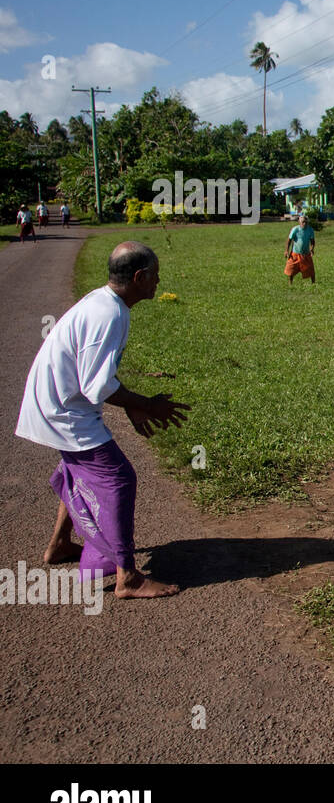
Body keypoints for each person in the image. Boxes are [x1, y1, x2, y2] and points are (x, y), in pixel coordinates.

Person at [14, 242, 189, 598]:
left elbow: (95, 379)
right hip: (64, 410)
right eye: (155, 275)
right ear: (139, 277)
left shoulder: (104, 301)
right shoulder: (111, 314)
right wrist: (146, 404)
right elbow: (97, 386)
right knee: (117, 478)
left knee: (78, 472)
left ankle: (60, 544)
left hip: (58, 402)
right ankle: (128, 577)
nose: (158, 281)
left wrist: (129, 405)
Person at [284, 213, 316, 284]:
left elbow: (312, 241)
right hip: (295, 253)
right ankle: (290, 282)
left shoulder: (310, 230)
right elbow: (289, 240)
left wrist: (312, 249)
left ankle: (313, 283)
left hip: (306, 253)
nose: (304, 223)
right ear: (299, 222)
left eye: (306, 222)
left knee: (310, 269)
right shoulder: (295, 229)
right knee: (291, 269)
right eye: (303, 222)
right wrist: (286, 251)